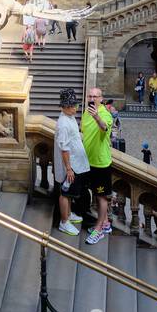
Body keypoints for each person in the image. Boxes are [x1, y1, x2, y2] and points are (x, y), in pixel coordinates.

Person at [55, 88, 90, 238]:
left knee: (69, 193)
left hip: (76, 163)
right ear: (64, 106)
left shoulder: (69, 118)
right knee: (65, 193)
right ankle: (64, 222)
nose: (75, 108)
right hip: (72, 165)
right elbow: (64, 148)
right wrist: (69, 169)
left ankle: (68, 215)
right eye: (72, 106)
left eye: (75, 105)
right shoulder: (63, 123)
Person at [80, 88, 113, 246]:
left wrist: (97, 116)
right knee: (95, 193)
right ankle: (105, 223)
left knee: (101, 197)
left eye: (95, 96)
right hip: (89, 161)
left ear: (101, 98)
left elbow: (104, 127)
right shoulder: (86, 112)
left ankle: (99, 229)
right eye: (90, 96)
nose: (92, 98)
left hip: (100, 163)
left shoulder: (104, 114)